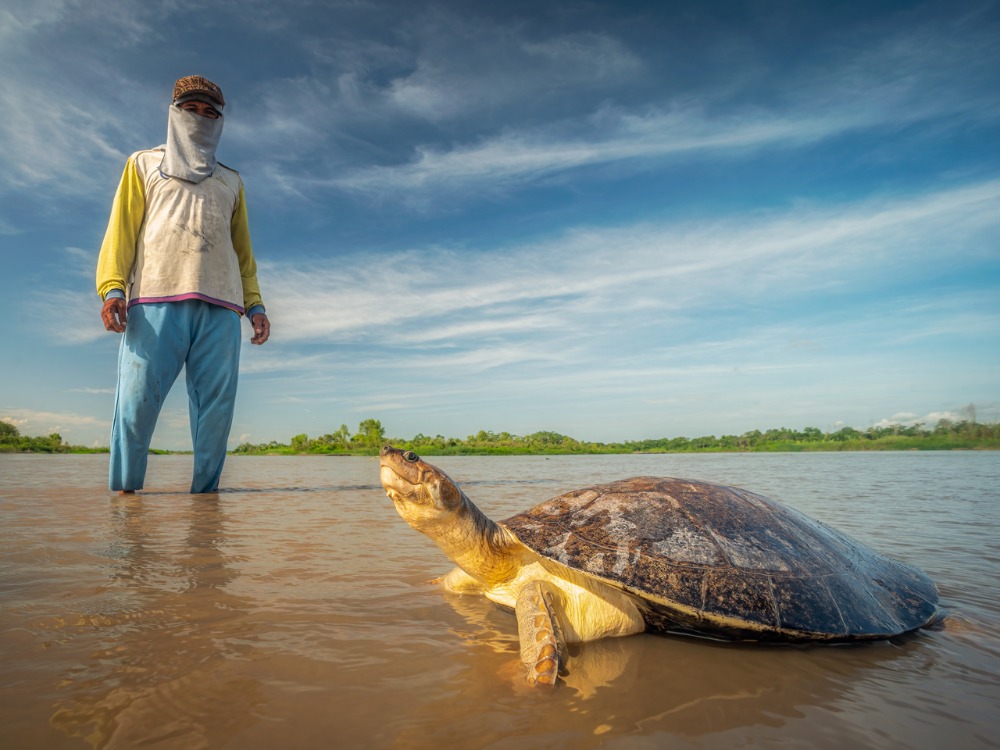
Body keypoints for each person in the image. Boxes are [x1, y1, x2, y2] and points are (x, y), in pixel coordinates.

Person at [96, 75, 270, 494]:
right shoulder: (143, 163)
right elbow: (121, 231)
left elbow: (242, 252)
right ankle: (126, 500)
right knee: (135, 405)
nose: (200, 118)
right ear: (174, 113)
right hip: (155, 299)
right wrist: (113, 288)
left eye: (210, 113)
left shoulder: (232, 180)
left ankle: (205, 501)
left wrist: (256, 305)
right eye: (191, 109)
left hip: (223, 307)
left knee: (216, 412)